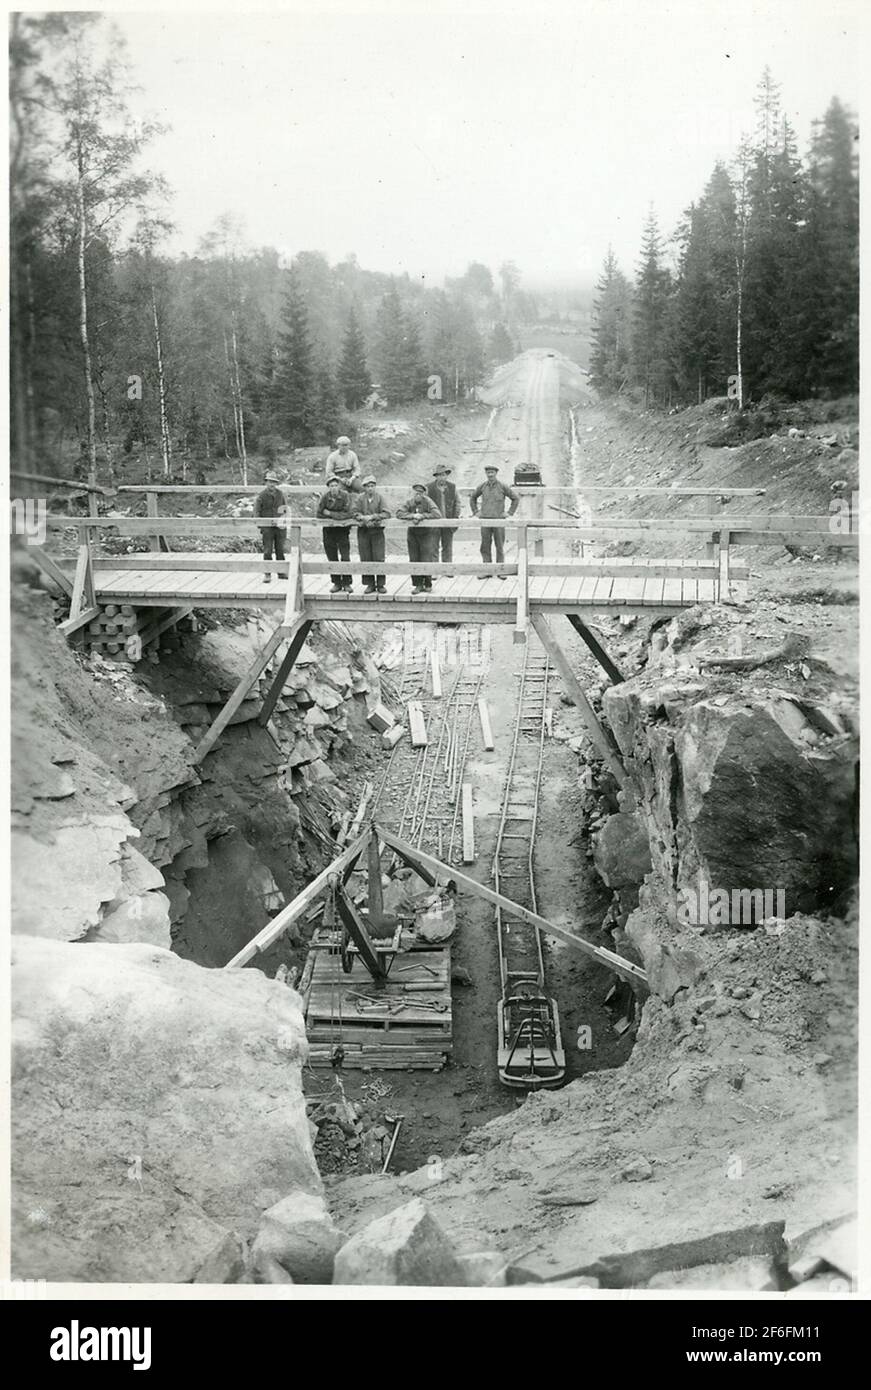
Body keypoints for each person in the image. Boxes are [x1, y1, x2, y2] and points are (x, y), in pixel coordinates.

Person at [470, 464, 519, 574]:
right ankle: (487, 570)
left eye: (492, 473)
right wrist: (476, 512)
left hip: (499, 520)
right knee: (485, 546)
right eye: (488, 473)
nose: (490, 475)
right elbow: (472, 497)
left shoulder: (502, 486)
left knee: (499, 546)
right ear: (486, 474)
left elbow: (515, 498)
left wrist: (509, 512)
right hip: (485, 520)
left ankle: (500, 570)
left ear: (496, 473)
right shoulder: (482, 486)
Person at [396, 483, 442, 593]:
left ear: (423, 494)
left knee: (426, 558)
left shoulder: (428, 501)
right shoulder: (410, 502)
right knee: (414, 558)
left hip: (426, 534)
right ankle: (417, 584)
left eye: (420, 493)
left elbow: (437, 514)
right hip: (413, 534)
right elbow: (399, 513)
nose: (418, 495)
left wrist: (422, 516)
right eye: (416, 492)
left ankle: (428, 583)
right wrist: (412, 516)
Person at [317, 476, 355, 592]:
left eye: (335, 485)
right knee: (332, 557)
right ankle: (336, 582)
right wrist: (337, 515)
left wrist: (330, 514)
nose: (333, 488)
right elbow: (319, 514)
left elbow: (349, 514)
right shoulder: (325, 497)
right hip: (329, 530)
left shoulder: (345, 496)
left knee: (345, 556)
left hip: (342, 530)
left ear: (339, 486)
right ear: (328, 487)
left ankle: (347, 582)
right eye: (331, 486)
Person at [355, 475, 391, 594]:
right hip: (364, 532)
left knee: (379, 557)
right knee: (365, 557)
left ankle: (380, 584)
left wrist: (373, 517)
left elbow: (386, 513)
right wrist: (363, 519)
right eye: (368, 486)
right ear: (364, 488)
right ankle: (369, 584)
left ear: (375, 487)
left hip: (377, 532)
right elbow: (355, 512)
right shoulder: (360, 499)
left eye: (372, 486)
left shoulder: (380, 498)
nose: (370, 488)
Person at [254, 470, 287, 584]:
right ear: (266, 483)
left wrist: (284, 523)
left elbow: (284, 508)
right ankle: (267, 573)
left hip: (279, 527)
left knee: (280, 550)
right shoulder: (262, 495)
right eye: (269, 482)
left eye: (274, 482)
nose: (272, 484)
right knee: (267, 550)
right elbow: (257, 511)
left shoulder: (280, 494)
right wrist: (261, 525)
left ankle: (281, 571)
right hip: (267, 527)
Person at [427, 464, 459, 572]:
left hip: (448, 521)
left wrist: (454, 519)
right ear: (436, 476)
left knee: (448, 546)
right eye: (439, 475)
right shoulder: (429, 488)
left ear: (447, 475)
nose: (442, 477)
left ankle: (448, 569)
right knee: (433, 547)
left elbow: (457, 504)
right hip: (434, 523)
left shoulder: (453, 487)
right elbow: (425, 504)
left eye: (444, 475)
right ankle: (435, 571)